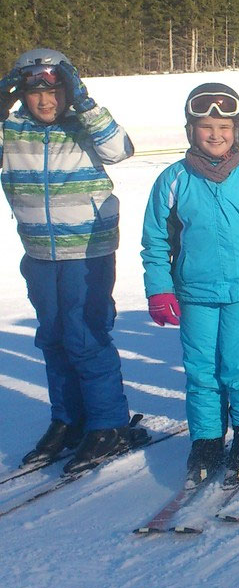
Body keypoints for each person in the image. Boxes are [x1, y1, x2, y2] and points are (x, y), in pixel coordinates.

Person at [0, 48, 144, 473]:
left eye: (56, 90)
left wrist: (84, 102)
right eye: (34, 93)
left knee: (86, 336)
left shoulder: (85, 125)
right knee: (52, 338)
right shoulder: (10, 130)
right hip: (40, 252)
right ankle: (68, 419)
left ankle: (108, 424)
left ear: (69, 89)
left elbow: (121, 149)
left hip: (88, 252)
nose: (46, 102)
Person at [141, 84, 239, 482]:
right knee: (202, 371)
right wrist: (159, 288)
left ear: (236, 130)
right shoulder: (173, 180)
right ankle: (207, 439)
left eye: (224, 126)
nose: (215, 134)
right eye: (206, 126)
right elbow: (156, 241)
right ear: (191, 130)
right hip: (195, 294)